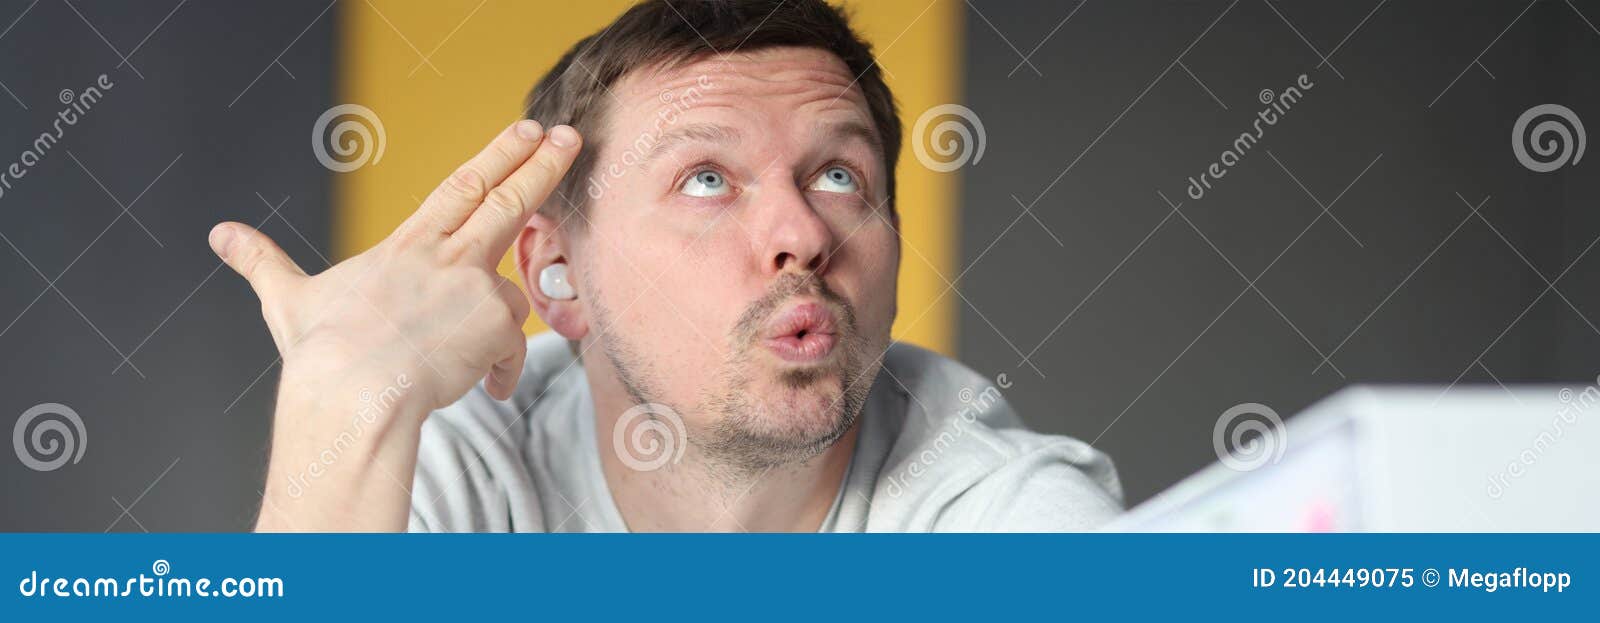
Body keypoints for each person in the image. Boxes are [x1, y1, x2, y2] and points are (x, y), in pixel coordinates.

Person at [211, 0, 1122, 532]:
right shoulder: (450, 475)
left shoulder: (1004, 511)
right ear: (558, 276)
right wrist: (338, 397)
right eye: (707, 178)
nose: (801, 233)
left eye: (839, 174)